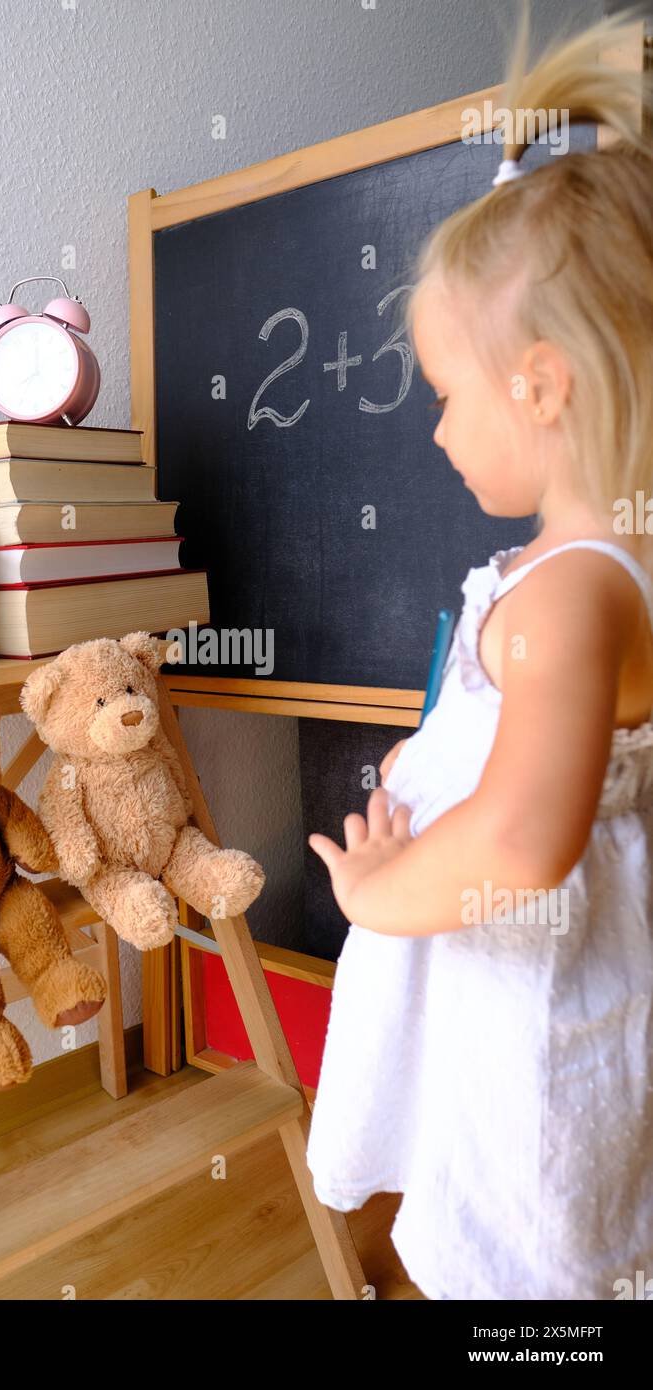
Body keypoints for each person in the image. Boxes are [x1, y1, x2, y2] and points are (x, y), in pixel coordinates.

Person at [306, 5, 653, 1300]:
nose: (437, 431)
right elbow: (519, 752)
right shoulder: (585, 569)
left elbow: (522, 841)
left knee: (535, 1260)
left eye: (445, 392)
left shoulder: (574, 595)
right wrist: (428, 758)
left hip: (543, 1030)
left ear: (545, 386)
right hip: (518, 1006)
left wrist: (370, 895)